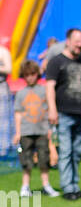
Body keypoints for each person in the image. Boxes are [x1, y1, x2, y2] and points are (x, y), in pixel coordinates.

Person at [45, 27, 81, 199]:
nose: (80, 45)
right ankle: (68, 188)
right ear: (68, 41)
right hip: (63, 113)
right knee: (65, 151)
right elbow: (49, 87)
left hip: (80, 112)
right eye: (77, 41)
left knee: (77, 151)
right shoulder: (56, 62)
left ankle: (75, 186)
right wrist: (53, 110)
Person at [14, 60, 59, 196]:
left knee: (44, 159)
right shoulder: (21, 93)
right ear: (24, 76)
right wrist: (18, 132)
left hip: (42, 130)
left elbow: (48, 110)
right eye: (27, 75)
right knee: (26, 160)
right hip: (26, 131)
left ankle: (46, 185)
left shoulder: (43, 90)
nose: (30, 77)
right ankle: (25, 187)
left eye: (33, 74)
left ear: (37, 74)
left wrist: (50, 128)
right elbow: (18, 114)